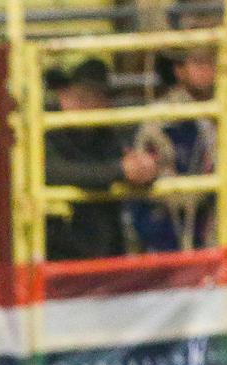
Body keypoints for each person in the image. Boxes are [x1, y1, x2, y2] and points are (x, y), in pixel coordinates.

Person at [43, 58, 159, 261]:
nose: (91, 107)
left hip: (103, 251)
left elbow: (125, 163)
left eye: (98, 98)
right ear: (62, 96)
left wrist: (142, 168)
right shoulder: (46, 128)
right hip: (59, 251)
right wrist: (121, 170)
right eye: (81, 98)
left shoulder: (105, 131)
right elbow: (53, 171)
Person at [131, 47, 216, 253]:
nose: (208, 69)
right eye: (198, 63)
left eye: (212, 62)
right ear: (179, 70)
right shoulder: (162, 119)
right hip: (176, 234)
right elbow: (159, 185)